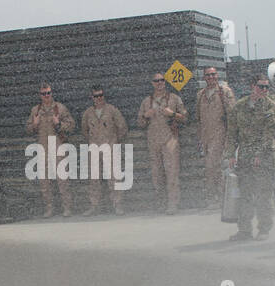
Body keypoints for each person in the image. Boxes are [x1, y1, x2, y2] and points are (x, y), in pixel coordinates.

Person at [224, 73, 275, 241]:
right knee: (245, 194)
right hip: (244, 156)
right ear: (252, 86)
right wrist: (230, 154)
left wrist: (259, 153)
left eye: (266, 87)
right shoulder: (240, 106)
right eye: (261, 86)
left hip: (264, 156)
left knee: (264, 194)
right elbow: (232, 133)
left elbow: (269, 133)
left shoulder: (270, 107)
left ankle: (264, 228)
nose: (264, 90)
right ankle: (244, 230)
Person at [137, 73, 187, 214]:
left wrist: (172, 114)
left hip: (169, 140)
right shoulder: (146, 101)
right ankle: (160, 203)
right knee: (157, 175)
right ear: (152, 83)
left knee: (172, 173)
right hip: (153, 142)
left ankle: (173, 204)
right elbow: (139, 123)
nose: (159, 83)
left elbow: (184, 118)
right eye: (156, 81)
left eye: (162, 80)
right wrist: (146, 116)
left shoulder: (174, 98)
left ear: (165, 82)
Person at [26, 82, 76, 217]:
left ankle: (67, 208)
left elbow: (71, 125)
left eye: (48, 93)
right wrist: (35, 125)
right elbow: (29, 129)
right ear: (40, 95)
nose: (46, 96)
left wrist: (58, 123)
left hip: (58, 148)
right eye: (43, 93)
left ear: (52, 93)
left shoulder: (59, 108)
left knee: (62, 180)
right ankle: (49, 208)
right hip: (42, 149)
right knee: (45, 181)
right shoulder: (35, 111)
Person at [80, 85, 128, 215]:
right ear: (92, 98)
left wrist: (113, 140)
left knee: (114, 177)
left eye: (101, 95)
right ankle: (94, 206)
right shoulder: (88, 113)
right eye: (96, 96)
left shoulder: (112, 110)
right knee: (94, 178)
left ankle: (117, 205)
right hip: (94, 148)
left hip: (110, 147)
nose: (99, 98)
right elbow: (84, 130)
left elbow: (122, 126)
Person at [195, 66, 235, 206]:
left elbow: (232, 115)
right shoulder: (201, 95)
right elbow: (198, 118)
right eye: (208, 75)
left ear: (217, 76)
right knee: (210, 168)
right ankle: (214, 197)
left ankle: (220, 197)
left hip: (220, 134)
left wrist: (230, 137)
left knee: (215, 166)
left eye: (213, 74)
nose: (211, 77)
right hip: (206, 136)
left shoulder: (224, 92)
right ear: (204, 77)